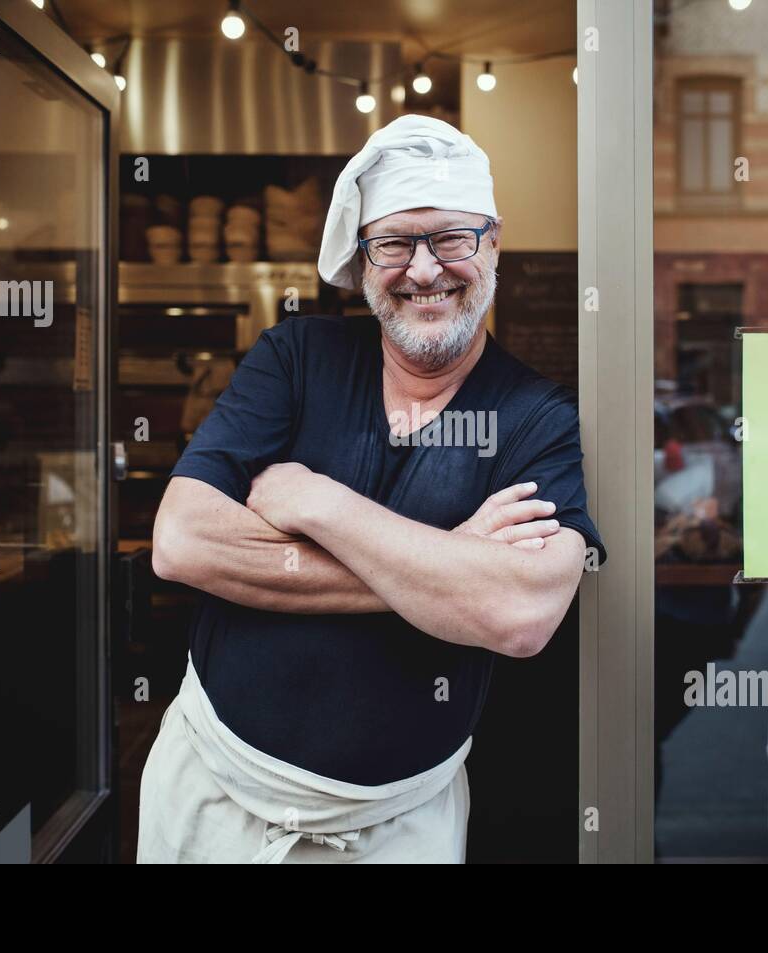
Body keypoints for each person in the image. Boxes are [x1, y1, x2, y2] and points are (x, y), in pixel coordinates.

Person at [137, 115, 605, 863]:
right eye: (393, 243)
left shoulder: (533, 413)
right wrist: (447, 567)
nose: (424, 270)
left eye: (452, 237)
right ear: (364, 261)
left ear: (493, 243)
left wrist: (321, 504)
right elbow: (181, 540)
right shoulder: (296, 358)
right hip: (214, 797)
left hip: (400, 829)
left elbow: (521, 612)